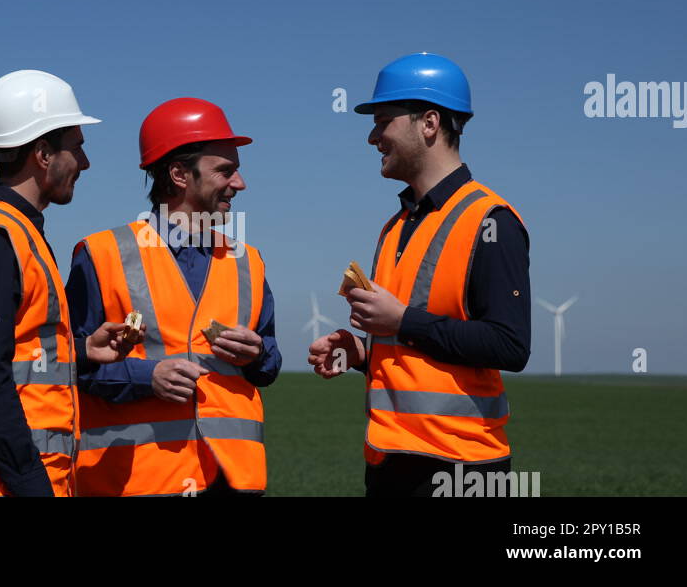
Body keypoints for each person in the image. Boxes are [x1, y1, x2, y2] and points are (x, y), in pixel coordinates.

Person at [308, 53, 531, 497]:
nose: (373, 136)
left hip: (461, 469)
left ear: (429, 123)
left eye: (383, 120)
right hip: (389, 462)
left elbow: (510, 345)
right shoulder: (395, 227)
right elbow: (415, 350)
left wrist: (402, 321)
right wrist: (360, 352)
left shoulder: (490, 219)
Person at [0, 70, 138, 497]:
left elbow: (19, 356)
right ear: (42, 153)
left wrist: (83, 352)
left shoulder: (20, 234)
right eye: (77, 148)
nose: (86, 163)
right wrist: (33, 487)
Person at [66, 98, 283, 496]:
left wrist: (258, 355)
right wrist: (147, 377)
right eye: (226, 171)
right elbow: (69, 362)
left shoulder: (249, 262)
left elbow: (268, 364)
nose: (240, 184)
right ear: (180, 174)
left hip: (232, 479)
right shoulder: (101, 254)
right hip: (137, 482)